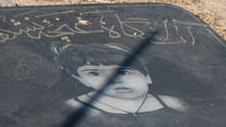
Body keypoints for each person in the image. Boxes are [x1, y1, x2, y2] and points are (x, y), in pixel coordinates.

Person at [54, 43, 185, 115]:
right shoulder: (76, 107)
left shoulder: (172, 104)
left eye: (123, 72)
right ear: (82, 80)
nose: (113, 80)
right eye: (94, 73)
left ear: (147, 76)